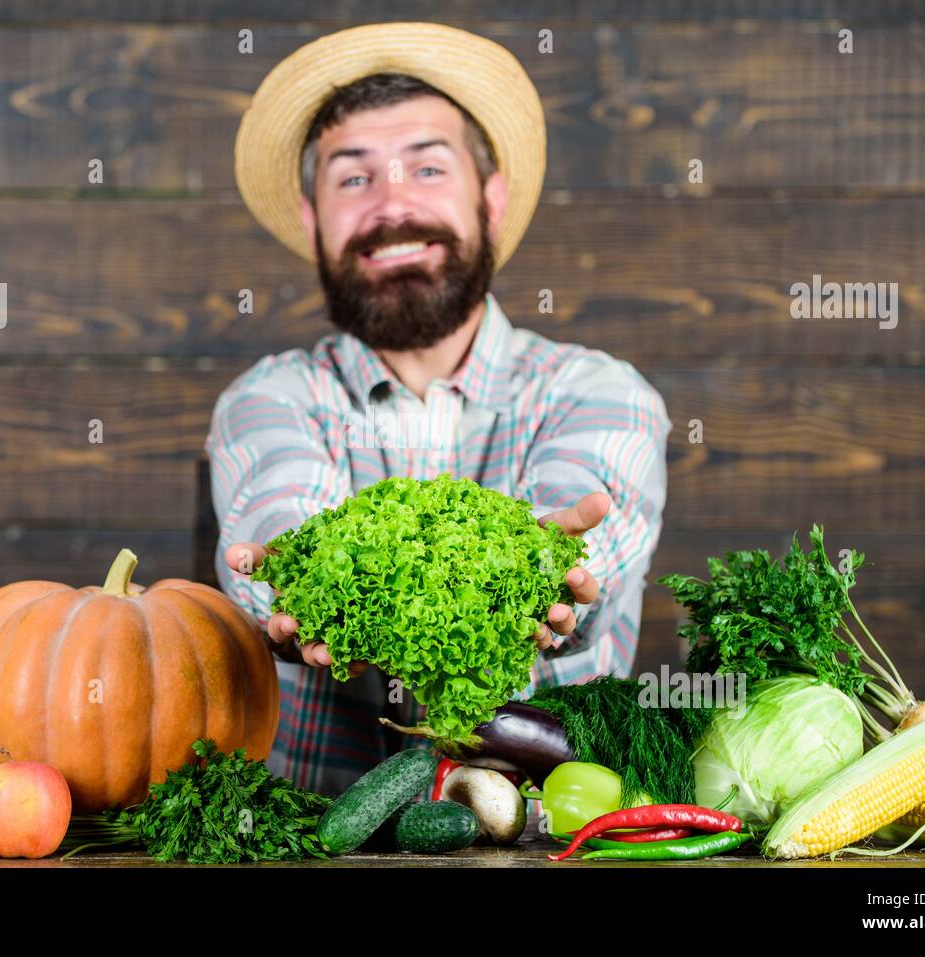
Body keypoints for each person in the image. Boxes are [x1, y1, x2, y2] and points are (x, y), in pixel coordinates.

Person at [206, 23, 670, 795]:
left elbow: (583, 531)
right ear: (311, 217)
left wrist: (547, 576)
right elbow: (279, 515)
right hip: (314, 843)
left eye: (426, 168)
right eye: (353, 179)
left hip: (547, 841)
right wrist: (294, 578)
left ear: (491, 200)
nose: (391, 205)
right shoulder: (269, 398)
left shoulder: (599, 393)